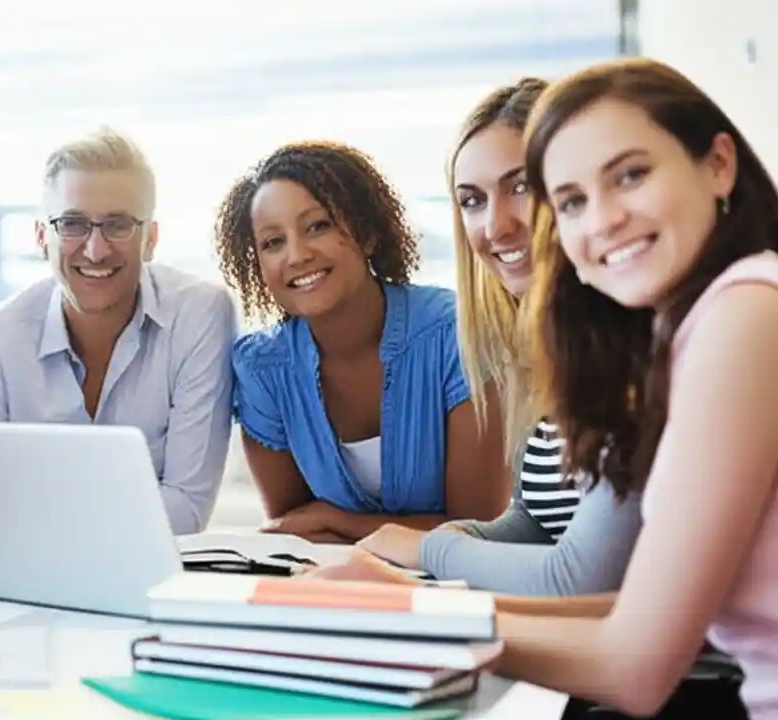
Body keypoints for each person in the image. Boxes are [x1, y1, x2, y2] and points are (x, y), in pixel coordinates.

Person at [491, 58, 778, 719]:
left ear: (718, 165)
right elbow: (650, 607)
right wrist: (417, 601)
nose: (604, 219)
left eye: (630, 176)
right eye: (571, 202)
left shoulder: (743, 316)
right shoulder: (698, 328)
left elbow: (637, 666)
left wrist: (399, 623)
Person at [342, 79, 642, 595]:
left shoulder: (638, 351)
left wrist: (429, 549)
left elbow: (579, 576)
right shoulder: (539, 350)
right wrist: (461, 537)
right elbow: (536, 523)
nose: (495, 225)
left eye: (520, 186)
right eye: (472, 200)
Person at [215, 141, 507, 543]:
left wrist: (342, 521)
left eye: (318, 225)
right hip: (343, 588)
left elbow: (480, 532)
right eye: (272, 242)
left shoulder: (454, 335)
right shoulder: (262, 369)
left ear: (367, 233)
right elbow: (296, 534)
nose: (297, 255)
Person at [0, 128, 235, 535]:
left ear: (150, 239)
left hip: (146, 578)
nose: (95, 250)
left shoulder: (199, 315)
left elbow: (186, 511)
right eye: (72, 224)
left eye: (118, 225)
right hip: (23, 578)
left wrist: (24, 513)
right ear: (41, 237)